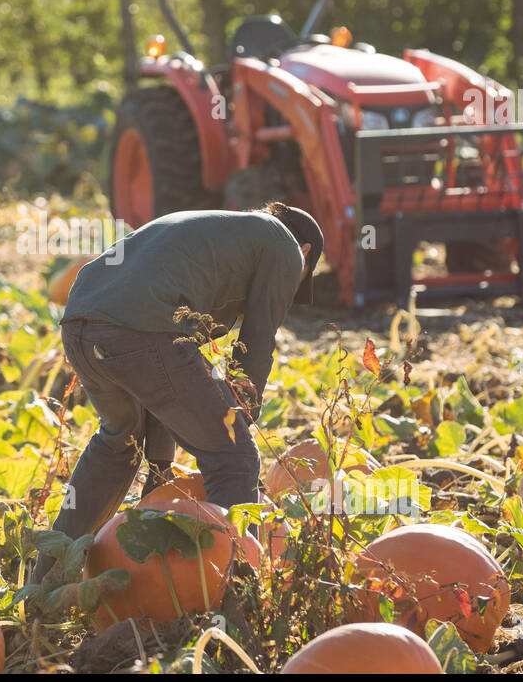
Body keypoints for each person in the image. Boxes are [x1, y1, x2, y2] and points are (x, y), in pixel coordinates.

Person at [31, 202, 324, 584]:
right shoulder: (285, 245)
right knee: (232, 456)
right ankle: (237, 591)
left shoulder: (218, 232)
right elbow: (257, 339)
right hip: (140, 330)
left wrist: (160, 473)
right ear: (304, 254)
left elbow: (166, 376)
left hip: (81, 324)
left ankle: (43, 586)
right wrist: (240, 414)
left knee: (118, 445)